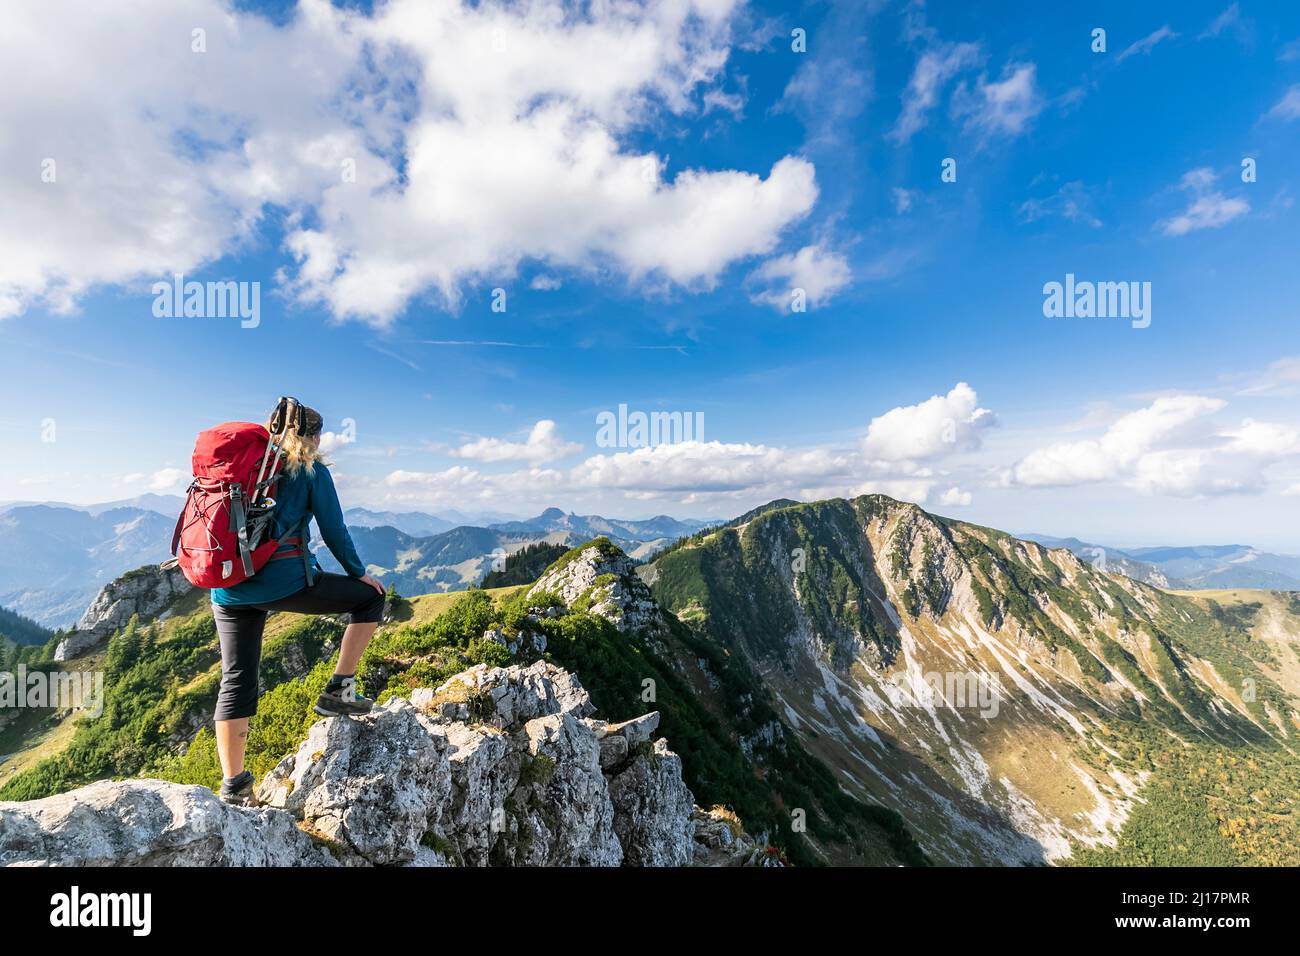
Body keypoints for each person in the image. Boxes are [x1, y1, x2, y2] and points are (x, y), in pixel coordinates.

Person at [209, 401, 384, 806]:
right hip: (284, 582)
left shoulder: (242, 467)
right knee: (372, 599)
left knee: (236, 678)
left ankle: (233, 785)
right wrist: (359, 573)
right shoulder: (311, 471)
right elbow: (334, 530)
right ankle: (340, 689)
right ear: (314, 437)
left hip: (229, 588)